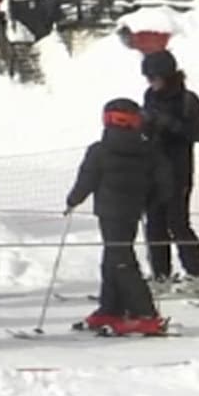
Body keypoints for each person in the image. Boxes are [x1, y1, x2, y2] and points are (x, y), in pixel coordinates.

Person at [66, 99, 172, 335]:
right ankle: (111, 308)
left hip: (109, 211)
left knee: (122, 260)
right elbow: (165, 184)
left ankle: (146, 314)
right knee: (113, 257)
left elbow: (87, 179)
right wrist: (149, 203)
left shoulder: (99, 150)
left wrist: (73, 200)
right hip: (132, 212)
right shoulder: (148, 150)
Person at [140, 49, 199, 295]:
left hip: (178, 169)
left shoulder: (188, 99)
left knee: (178, 223)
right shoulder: (150, 96)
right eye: (148, 78)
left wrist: (170, 124)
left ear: (167, 75)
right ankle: (161, 275)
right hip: (153, 169)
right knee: (154, 225)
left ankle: (197, 274)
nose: (151, 83)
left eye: (154, 77)